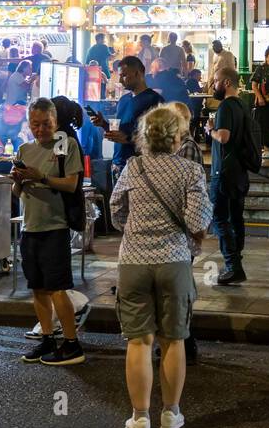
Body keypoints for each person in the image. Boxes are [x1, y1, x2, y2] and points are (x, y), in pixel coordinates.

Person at [110, 105, 211, 428]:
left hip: (133, 262)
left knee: (138, 341)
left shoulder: (132, 167)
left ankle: (140, 419)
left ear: (144, 136)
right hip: (174, 260)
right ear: (177, 136)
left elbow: (115, 211)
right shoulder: (190, 171)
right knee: (173, 340)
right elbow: (198, 223)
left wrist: (135, 230)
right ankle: (170, 414)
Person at [13, 98, 87, 366]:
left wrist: (41, 177)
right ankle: (47, 338)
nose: (41, 129)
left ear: (56, 122)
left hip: (55, 226)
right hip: (30, 225)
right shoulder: (24, 148)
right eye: (35, 124)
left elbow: (71, 184)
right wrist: (19, 180)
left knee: (58, 288)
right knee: (38, 289)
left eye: (46, 124)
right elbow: (17, 192)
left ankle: (71, 343)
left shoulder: (64, 144)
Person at [88, 56, 162, 183]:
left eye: (124, 75)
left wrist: (129, 139)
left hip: (139, 166)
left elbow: (158, 138)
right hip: (117, 163)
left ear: (137, 73)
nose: (121, 80)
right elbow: (120, 129)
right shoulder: (123, 100)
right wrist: (104, 124)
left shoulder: (154, 100)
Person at [209, 69, 252, 284]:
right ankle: (237, 260)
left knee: (220, 218)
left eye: (216, 81)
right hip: (239, 171)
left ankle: (232, 265)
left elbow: (224, 137)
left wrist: (211, 131)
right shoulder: (243, 105)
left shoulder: (225, 106)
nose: (213, 86)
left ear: (226, 82)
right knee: (236, 217)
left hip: (223, 172)